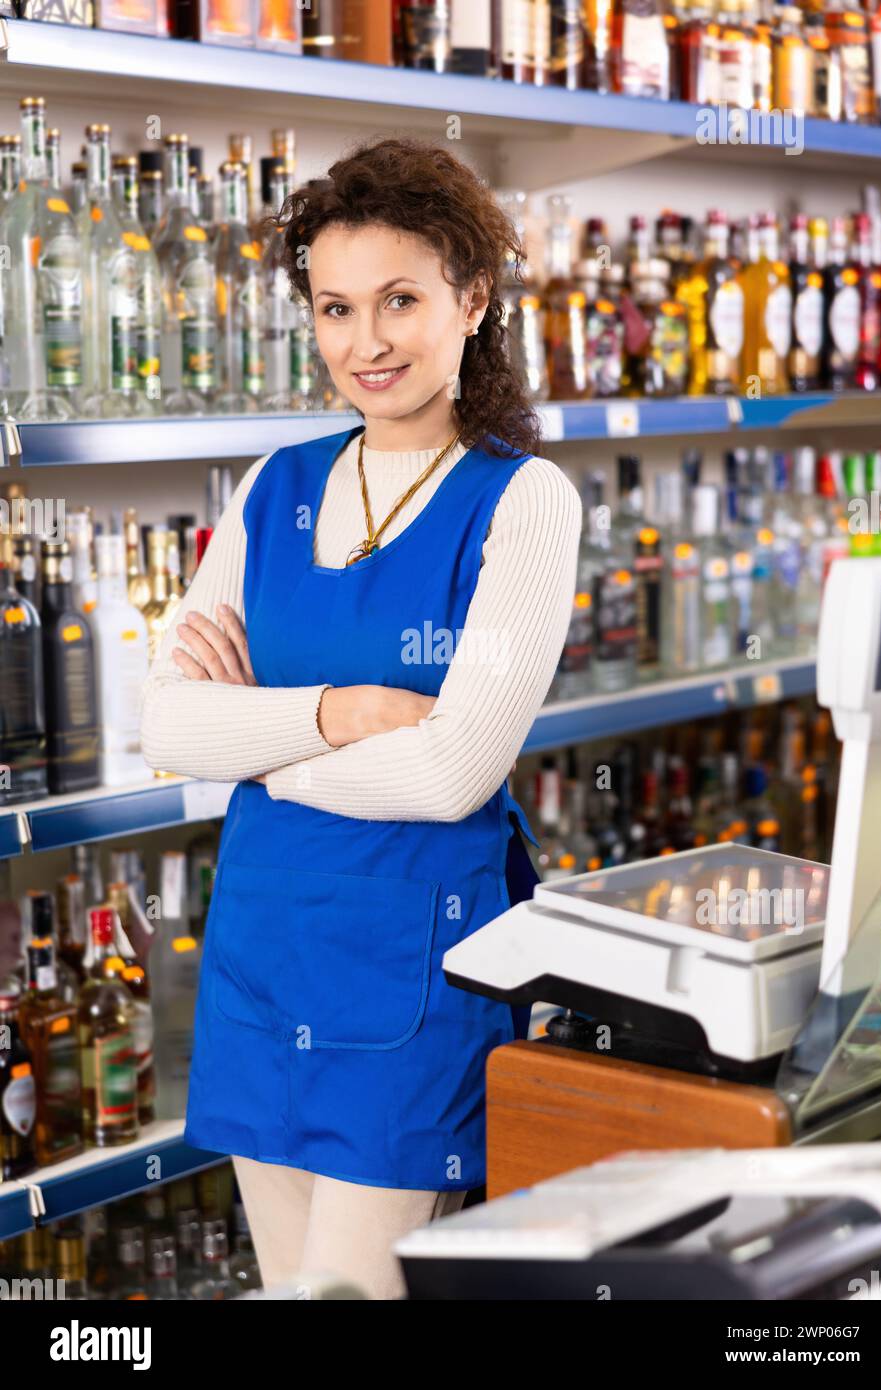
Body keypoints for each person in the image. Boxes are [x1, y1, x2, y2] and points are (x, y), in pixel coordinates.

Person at [139, 135, 581, 1300]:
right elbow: (167, 728)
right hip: (263, 959)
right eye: (336, 308)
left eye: (400, 300)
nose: (366, 342)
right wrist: (338, 712)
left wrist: (261, 746)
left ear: (472, 300)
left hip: (415, 973)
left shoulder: (523, 500)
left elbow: (451, 775)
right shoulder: (277, 483)